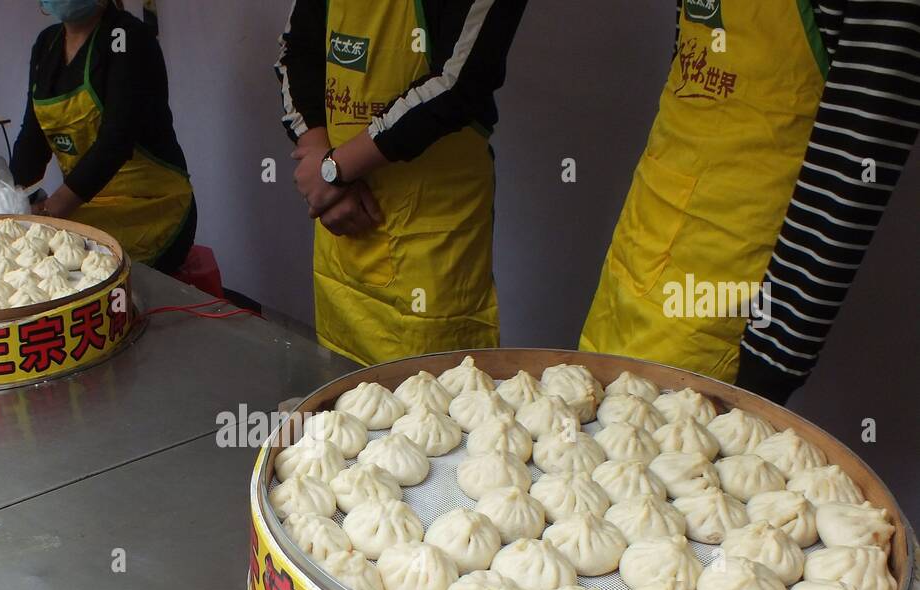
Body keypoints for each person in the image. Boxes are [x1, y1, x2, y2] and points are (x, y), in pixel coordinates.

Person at [580, 0, 920, 404]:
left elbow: (857, 157)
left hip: (730, 304)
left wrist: (775, 359)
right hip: (636, 249)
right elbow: (692, 85)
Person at [275, 0, 528, 366]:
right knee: (341, 401)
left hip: (430, 250)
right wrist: (317, 153)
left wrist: (335, 169)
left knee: (434, 406)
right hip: (341, 237)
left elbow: (460, 80)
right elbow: (296, 51)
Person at [10, 0, 196, 274]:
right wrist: (10, 200)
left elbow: (115, 142)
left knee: (56, 264)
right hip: (87, 204)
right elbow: (33, 136)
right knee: (19, 251)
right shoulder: (47, 43)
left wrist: (51, 210)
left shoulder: (129, 38)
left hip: (150, 206)